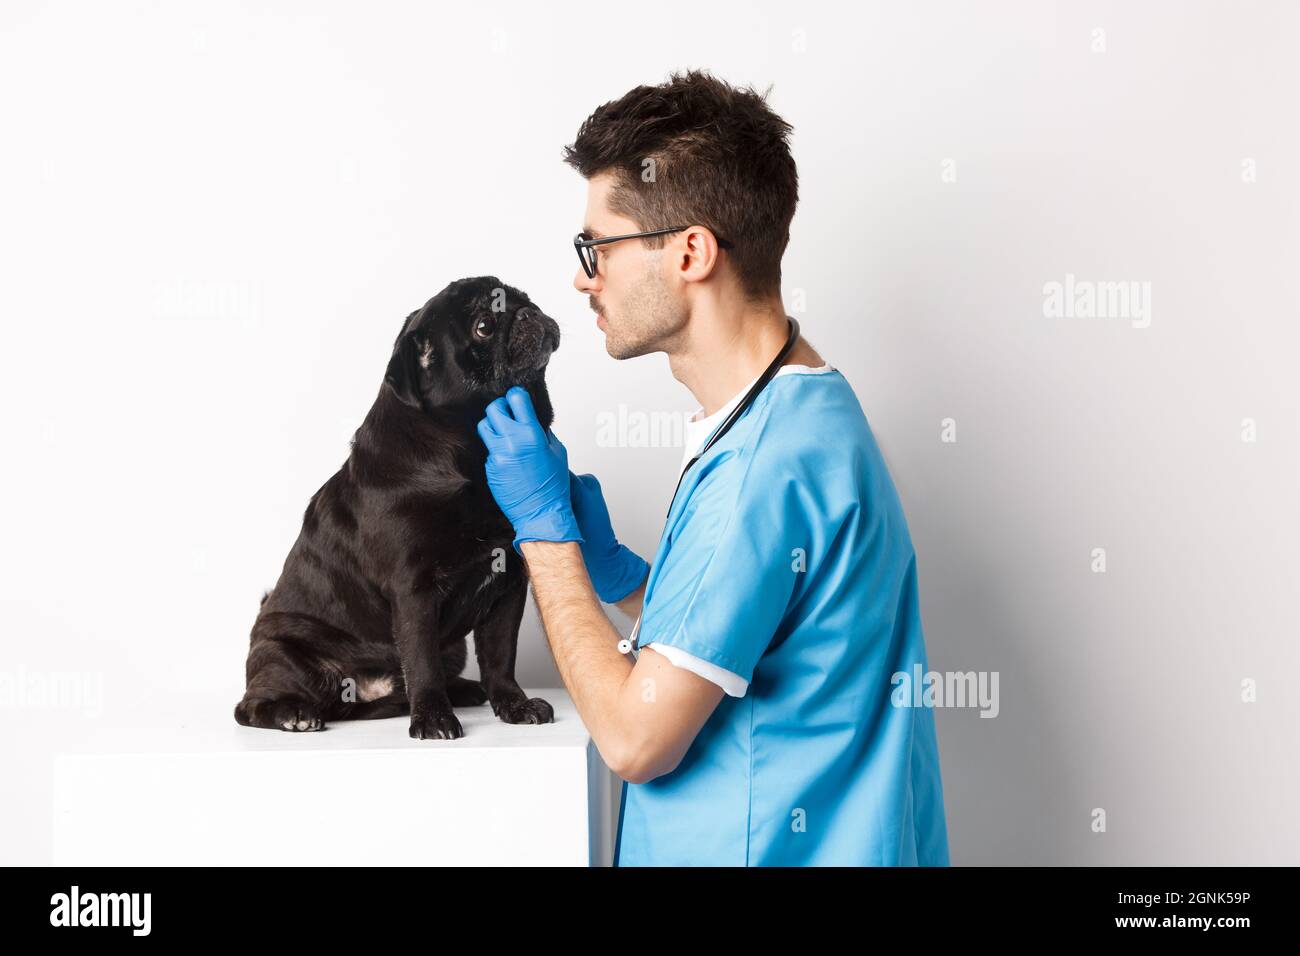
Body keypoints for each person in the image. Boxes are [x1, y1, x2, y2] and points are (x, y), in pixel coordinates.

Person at [475, 70, 949, 866]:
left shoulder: (761, 468)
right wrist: (625, 578)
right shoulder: (806, 414)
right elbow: (761, 633)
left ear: (692, 251)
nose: (582, 276)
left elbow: (634, 739)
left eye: (598, 245)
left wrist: (545, 542)